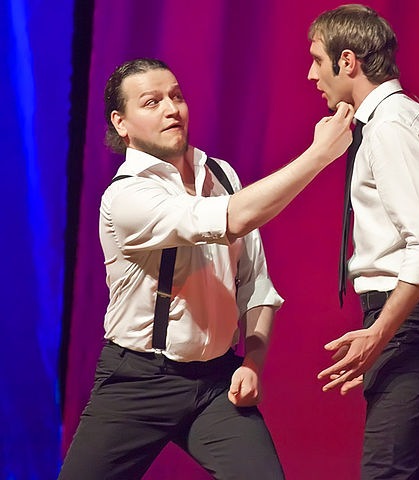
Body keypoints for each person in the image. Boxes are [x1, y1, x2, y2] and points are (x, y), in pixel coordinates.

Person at [58, 58, 353, 480]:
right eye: (152, 102)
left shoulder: (220, 174)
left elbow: (255, 284)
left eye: (176, 96)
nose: (171, 109)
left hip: (215, 381)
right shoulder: (126, 196)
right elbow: (232, 218)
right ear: (121, 123)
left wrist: (252, 363)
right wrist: (318, 155)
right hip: (140, 379)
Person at [307, 5, 419, 479]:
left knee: (387, 472)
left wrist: (380, 334)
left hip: (413, 322)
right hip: (414, 318)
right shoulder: (393, 118)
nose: (311, 74)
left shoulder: (391, 125)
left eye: (317, 60)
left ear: (348, 61)